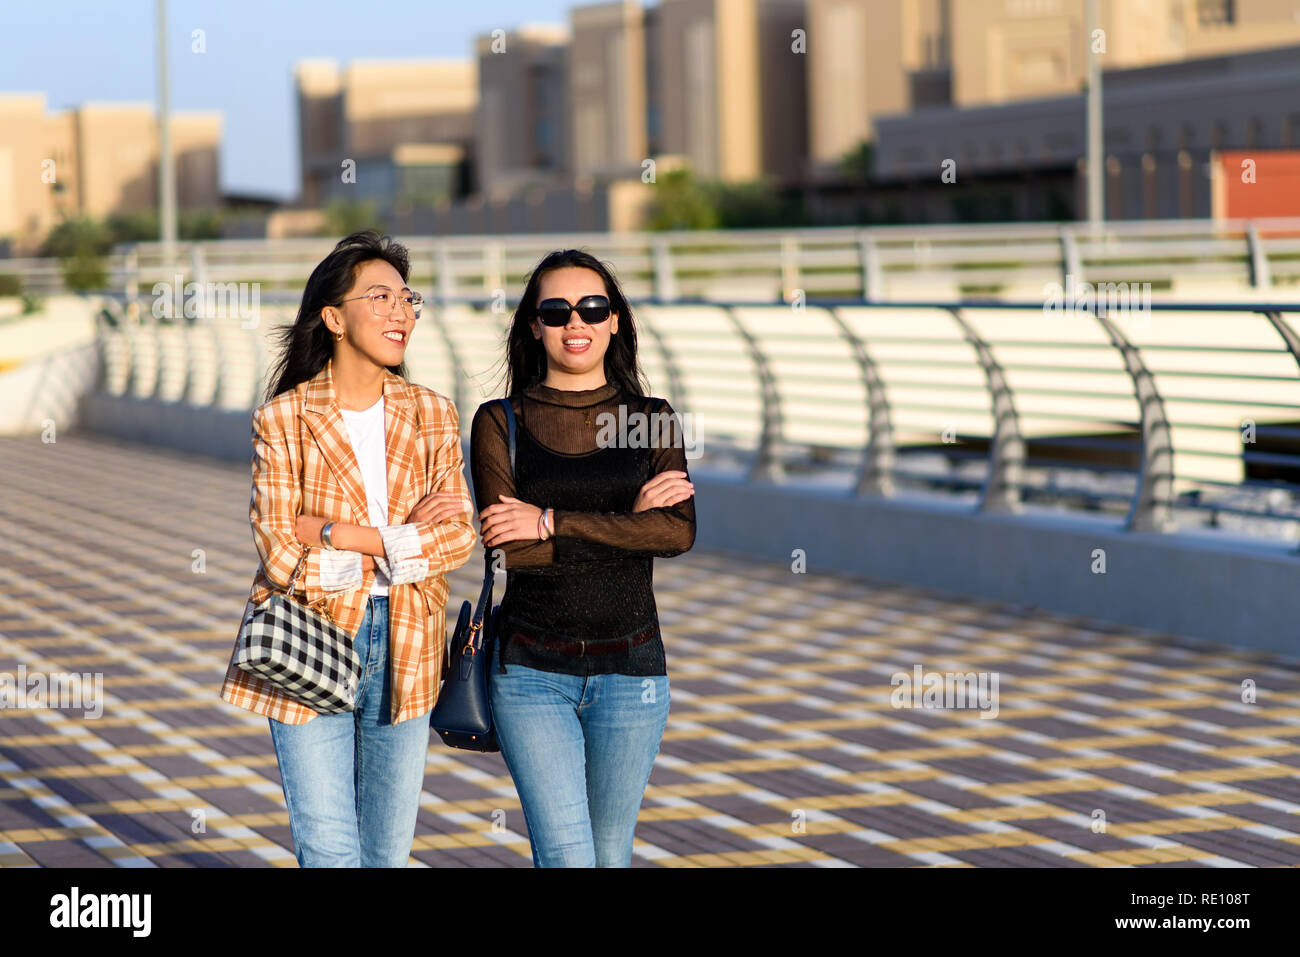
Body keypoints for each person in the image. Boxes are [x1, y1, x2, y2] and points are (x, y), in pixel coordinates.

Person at [219, 230, 477, 867]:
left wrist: (340, 535)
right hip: (310, 638)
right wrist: (401, 541)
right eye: (380, 296)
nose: (401, 312)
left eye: (407, 298)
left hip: (409, 645)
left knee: (385, 855)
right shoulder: (283, 419)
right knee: (330, 850)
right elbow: (282, 556)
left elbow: (458, 537)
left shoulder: (433, 414)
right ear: (334, 317)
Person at [470, 249, 696, 867]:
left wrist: (551, 520)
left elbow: (676, 533)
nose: (577, 323)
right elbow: (511, 549)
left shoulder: (650, 420)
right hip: (530, 671)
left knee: (608, 852)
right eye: (557, 310)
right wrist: (628, 523)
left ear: (615, 321)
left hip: (633, 670)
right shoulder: (500, 422)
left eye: (593, 308)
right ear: (533, 326)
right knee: (568, 856)